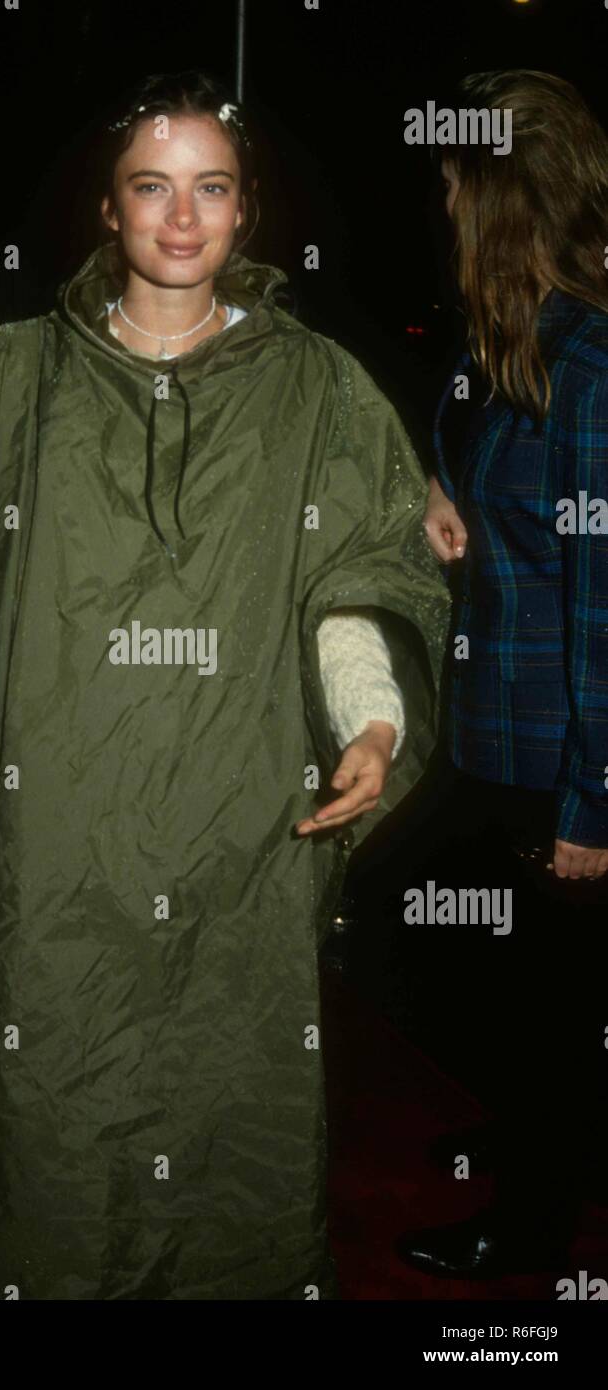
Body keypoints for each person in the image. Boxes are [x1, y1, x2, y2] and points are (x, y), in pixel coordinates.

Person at [0, 72, 449, 1299]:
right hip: (44, 834)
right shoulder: (1, 381)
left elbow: (346, 579)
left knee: (218, 1129)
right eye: (152, 186)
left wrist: (370, 721)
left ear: (246, 213)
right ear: (108, 207)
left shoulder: (316, 390)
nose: (181, 219)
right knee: (29, 1131)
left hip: (233, 829)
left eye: (210, 189)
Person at [401, 70, 608, 1279]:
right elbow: (465, 441)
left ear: (496, 200)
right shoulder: (508, 341)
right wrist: (439, 486)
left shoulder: (591, 368)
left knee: (552, 1009)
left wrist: (594, 806)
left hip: (564, 753)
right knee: (516, 990)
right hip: (503, 729)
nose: (438, 204)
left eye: (449, 184)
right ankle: (544, 1134)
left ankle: (531, 1225)